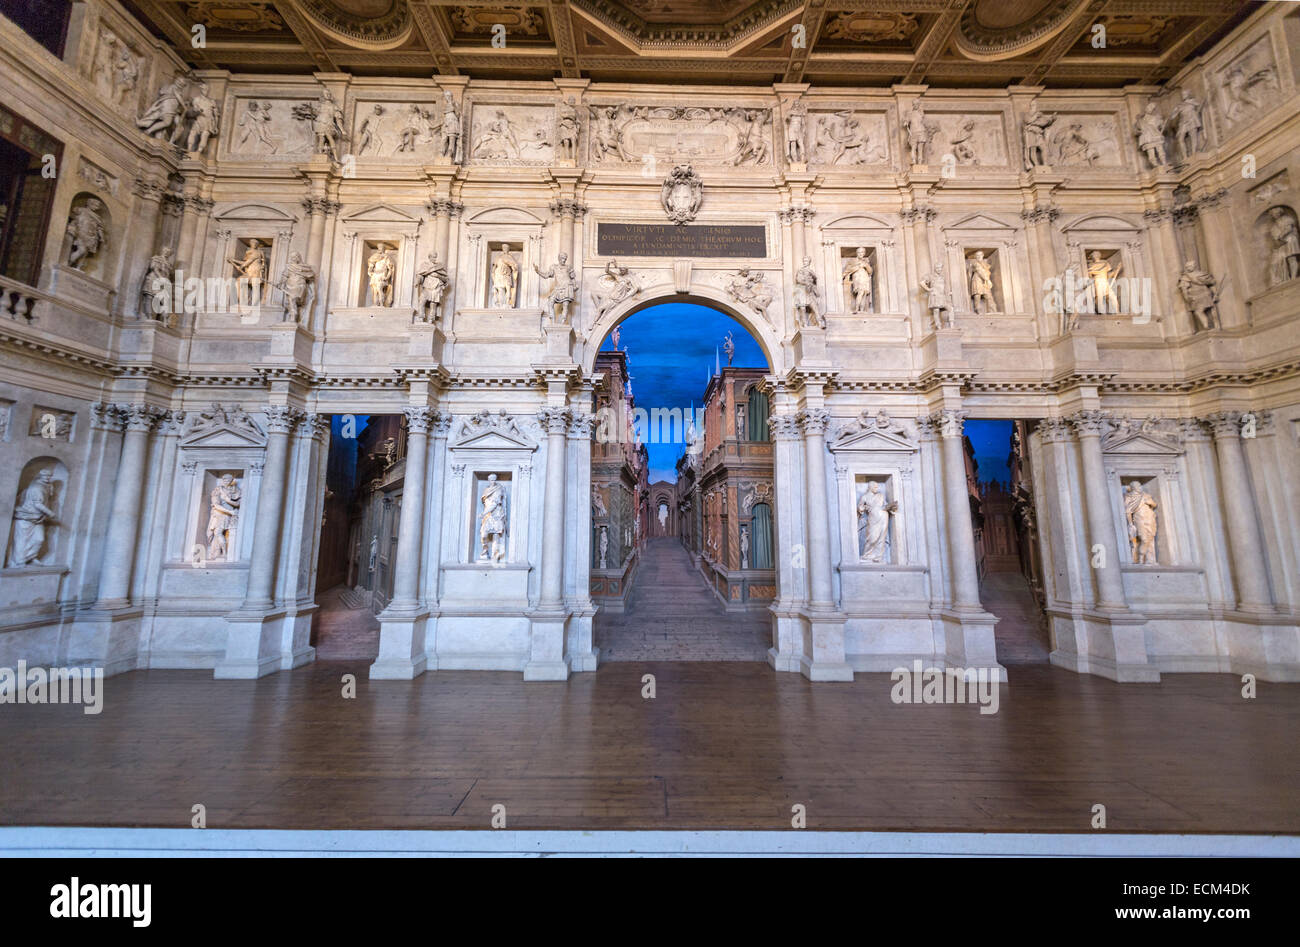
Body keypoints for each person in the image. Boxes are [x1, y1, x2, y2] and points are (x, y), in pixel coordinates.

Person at [479, 475, 507, 562]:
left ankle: (494, 555)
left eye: (494, 479)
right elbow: (485, 502)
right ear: (488, 480)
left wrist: (483, 513)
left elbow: (494, 504)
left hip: (497, 514)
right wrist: (485, 513)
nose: (493, 481)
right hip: (488, 515)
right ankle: (485, 550)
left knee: (496, 535)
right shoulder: (486, 490)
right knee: (484, 534)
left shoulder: (499, 489)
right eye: (491, 480)